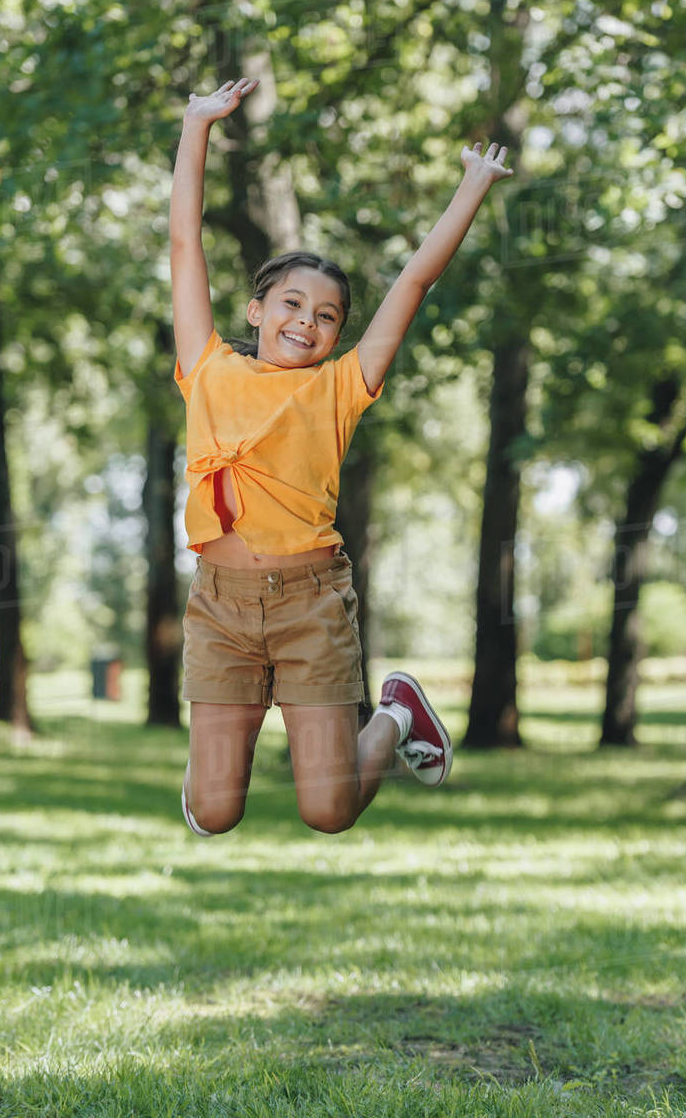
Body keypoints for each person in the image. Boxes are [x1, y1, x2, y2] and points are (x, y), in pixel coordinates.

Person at [170, 75, 513, 837]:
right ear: (257, 309)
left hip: (310, 603)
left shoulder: (342, 386)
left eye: (327, 316)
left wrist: (473, 185)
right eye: (291, 303)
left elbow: (416, 280)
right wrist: (197, 125)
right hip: (220, 606)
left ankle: (394, 714)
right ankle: (211, 774)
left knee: (327, 811)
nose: (306, 321)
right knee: (215, 810)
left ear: (336, 336)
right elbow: (184, 241)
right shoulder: (205, 363)